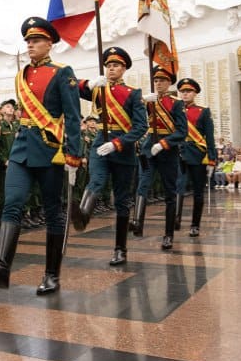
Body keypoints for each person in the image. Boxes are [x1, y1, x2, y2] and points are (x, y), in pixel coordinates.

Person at [0, 17, 83, 294]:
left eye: (36, 40)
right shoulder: (21, 75)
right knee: (12, 203)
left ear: (50, 43)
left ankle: (52, 274)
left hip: (49, 150)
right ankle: (1, 266)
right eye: (28, 41)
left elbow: (72, 116)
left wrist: (74, 155)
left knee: (52, 211)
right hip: (22, 148)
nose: (30, 45)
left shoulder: (62, 72)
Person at [69, 47, 148, 266]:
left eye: (116, 65)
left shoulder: (133, 94)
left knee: (122, 200)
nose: (112, 69)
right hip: (99, 144)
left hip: (123, 148)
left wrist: (118, 144)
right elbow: (69, 83)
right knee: (96, 180)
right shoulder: (98, 89)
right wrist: (89, 84)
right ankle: (83, 215)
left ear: (124, 69)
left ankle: (120, 249)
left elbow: (141, 127)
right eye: (109, 65)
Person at [131, 67, 186, 248]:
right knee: (143, 183)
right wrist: (142, 101)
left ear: (169, 83)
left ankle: (168, 234)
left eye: (162, 80)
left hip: (167, 151)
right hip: (148, 149)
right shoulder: (148, 101)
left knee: (170, 192)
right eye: (155, 80)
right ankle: (137, 222)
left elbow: (182, 132)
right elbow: (132, 115)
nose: (158, 83)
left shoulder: (176, 103)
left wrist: (162, 144)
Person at [176, 77, 216, 237]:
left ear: (195, 93)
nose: (185, 94)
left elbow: (210, 137)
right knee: (177, 189)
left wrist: (212, 159)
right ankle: (176, 219)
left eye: (188, 91)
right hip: (178, 154)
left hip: (197, 155)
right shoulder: (175, 110)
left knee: (198, 192)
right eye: (183, 91)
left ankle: (195, 224)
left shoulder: (203, 111)